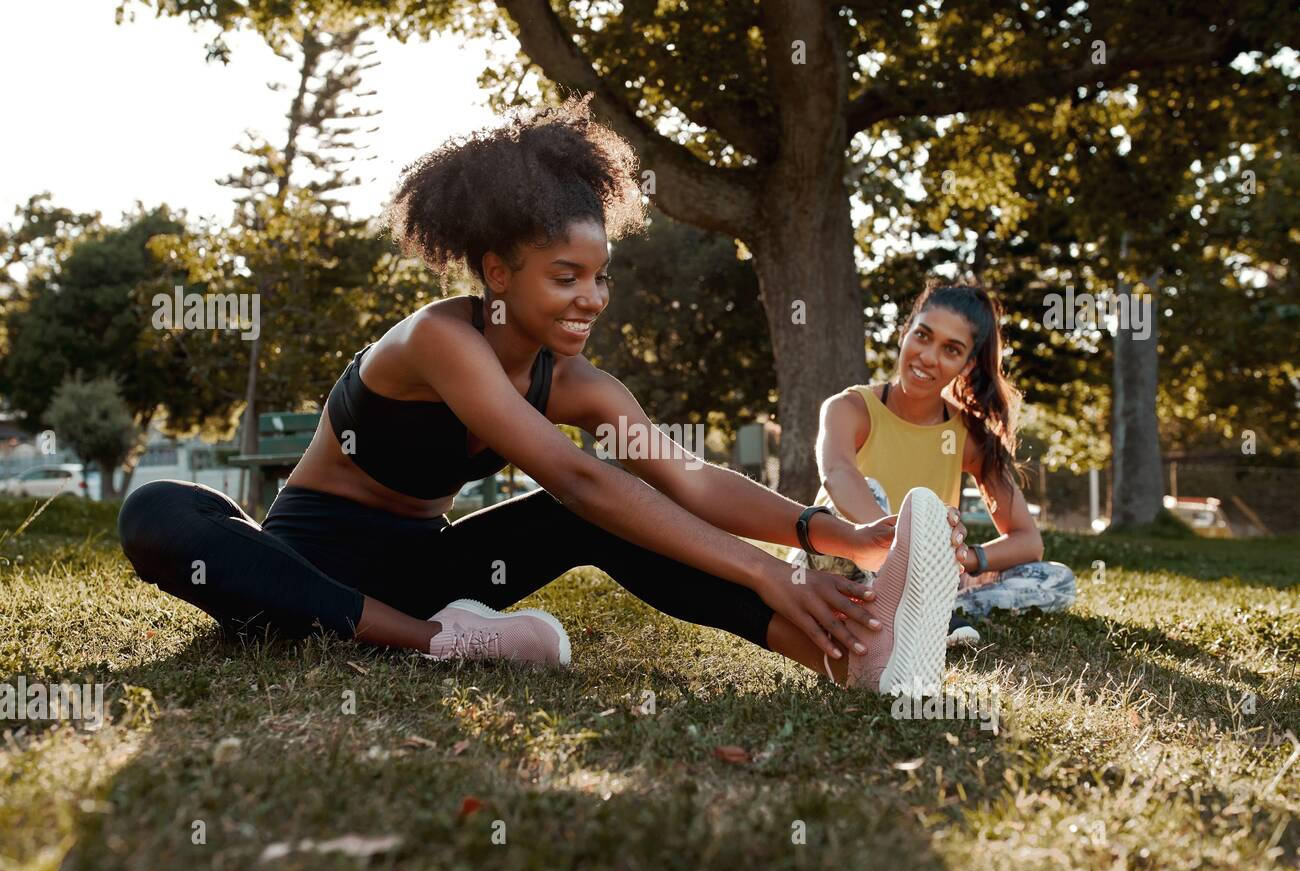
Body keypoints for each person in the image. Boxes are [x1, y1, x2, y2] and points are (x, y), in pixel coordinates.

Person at [118, 94, 968, 693]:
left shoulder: (582, 385)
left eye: (600, 276)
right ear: (497, 271)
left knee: (596, 520)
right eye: (565, 276)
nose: (591, 298)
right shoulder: (437, 339)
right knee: (156, 507)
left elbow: (684, 479)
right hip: (302, 571)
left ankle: (850, 658)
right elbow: (579, 476)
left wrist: (835, 533)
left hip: (426, 568)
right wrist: (765, 569)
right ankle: (442, 642)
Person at [789, 281, 1076, 637]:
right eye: (923, 336)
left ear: (968, 365)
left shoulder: (969, 434)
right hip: (837, 563)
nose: (927, 356)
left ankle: (928, 611)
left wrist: (963, 559)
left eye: (951, 350)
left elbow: (1027, 541)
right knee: (869, 489)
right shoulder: (849, 408)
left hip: (926, 578)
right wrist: (905, 548)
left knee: (1056, 580)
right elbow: (837, 473)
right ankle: (910, 609)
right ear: (904, 332)